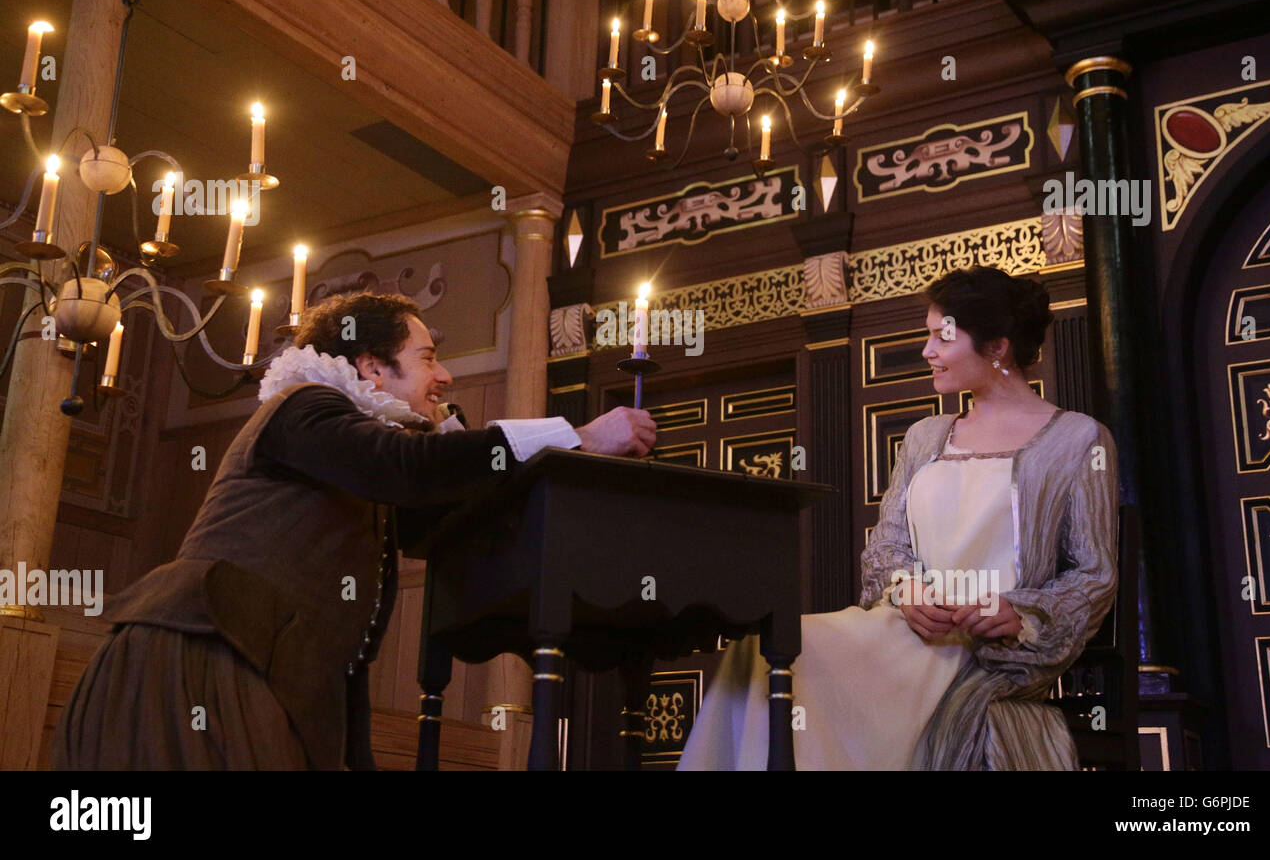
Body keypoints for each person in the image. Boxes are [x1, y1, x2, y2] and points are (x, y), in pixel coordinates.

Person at [53, 291, 656, 769]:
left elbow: (433, 512)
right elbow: (406, 469)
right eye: (427, 357)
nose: (444, 375)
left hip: (275, 675)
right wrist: (576, 435)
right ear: (371, 366)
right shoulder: (303, 406)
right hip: (200, 657)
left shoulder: (364, 448)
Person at [678, 266, 1118, 770]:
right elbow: (886, 548)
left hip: (991, 652)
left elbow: (1094, 573)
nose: (927, 350)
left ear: (997, 347)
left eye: (941, 336)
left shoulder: (1079, 440)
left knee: (779, 661)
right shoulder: (925, 437)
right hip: (905, 630)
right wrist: (908, 591)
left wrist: (1018, 613)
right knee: (765, 653)